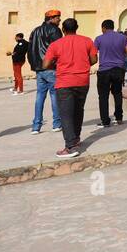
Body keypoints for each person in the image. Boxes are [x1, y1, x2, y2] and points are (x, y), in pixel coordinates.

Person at [44, 17, 98, 157]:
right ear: (77, 27)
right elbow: (93, 59)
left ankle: (70, 147)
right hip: (82, 80)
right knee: (78, 110)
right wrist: (82, 65)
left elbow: (45, 65)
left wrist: (57, 65)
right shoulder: (87, 41)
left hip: (64, 82)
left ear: (63, 29)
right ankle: (76, 138)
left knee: (66, 114)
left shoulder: (56, 44)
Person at [27, 10, 64, 135]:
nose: (59, 20)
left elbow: (30, 49)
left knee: (40, 97)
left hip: (39, 69)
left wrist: (34, 65)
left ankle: (36, 126)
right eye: (58, 18)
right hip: (51, 67)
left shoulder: (35, 30)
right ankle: (57, 124)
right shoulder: (54, 30)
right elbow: (59, 49)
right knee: (54, 95)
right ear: (51, 18)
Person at [94, 20, 127, 127]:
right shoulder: (122, 37)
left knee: (103, 96)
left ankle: (105, 121)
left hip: (104, 71)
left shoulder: (99, 38)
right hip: (119, 69)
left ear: (104, 28)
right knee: (117, 93)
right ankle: (119, 118)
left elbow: (93, 54)